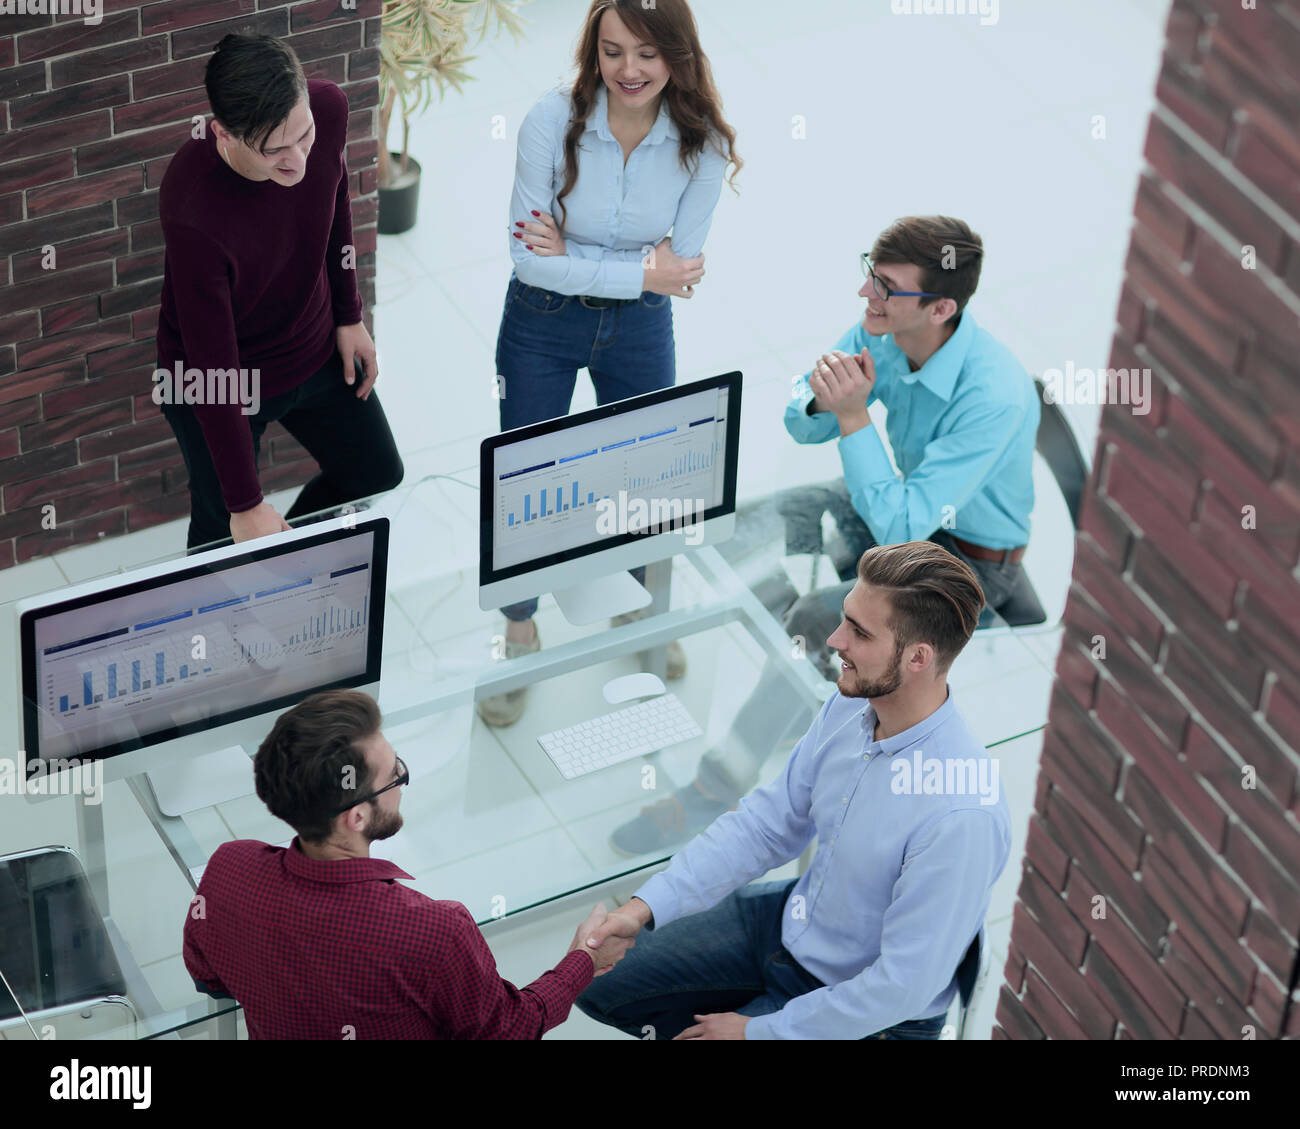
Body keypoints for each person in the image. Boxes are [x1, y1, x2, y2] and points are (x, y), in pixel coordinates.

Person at [611, 215, 1039, 853]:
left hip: (968, 558)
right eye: (870, 273)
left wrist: (852, 412)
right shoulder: (887, 330)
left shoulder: (994, 396)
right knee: (746, 525)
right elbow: (798, 419)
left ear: (942, 307)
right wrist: (827, 402)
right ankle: (805, 693)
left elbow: (902, 524)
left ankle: (718, 785)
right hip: (900, 505)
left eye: (887, 286)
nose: (867, 295)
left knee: (818, 616)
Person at [577, 542, 1011, 1039]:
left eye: (859, 632)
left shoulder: (961, 817)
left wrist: (755, 1033)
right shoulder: (850, 707)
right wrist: (642, 908)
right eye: (845, 619)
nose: (834, 639)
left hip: (875, 1014)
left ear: (918, 657)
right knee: (596, 980)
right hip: (795, 926)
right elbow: (766, 826)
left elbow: (899, 988)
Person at [479, 0, 742, 727]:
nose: (629, 69)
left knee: (647, 470)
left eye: (648, 54)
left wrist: (580, 257)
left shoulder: (704, 144)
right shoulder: (549, 122)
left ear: (677, 56)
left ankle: (637, 604)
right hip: (541, 324)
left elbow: (679, 270)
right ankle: (520, 625)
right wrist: (635, 272)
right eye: (613, 50)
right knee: (528, 477)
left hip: (640, 328)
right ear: (593, 50)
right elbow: (530, 262)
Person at [182, 690, 633, 1039]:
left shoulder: (229, 868)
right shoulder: (433, 931)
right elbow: (508, 1031)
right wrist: (584, 962)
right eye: (393, 773)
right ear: (355, 817)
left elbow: (208, 975)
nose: (401, 781)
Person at [157, 33, 403, 551]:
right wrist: (246, 508)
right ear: (225, 134)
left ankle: (286, 561)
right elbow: (212, 363)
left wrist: (348, 315)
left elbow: (333, 201)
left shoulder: (329, 108)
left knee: (376, 470)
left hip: (310, 349)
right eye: (274, 150)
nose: (298, 161)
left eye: (304, 136)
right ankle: (214, 620)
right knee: (218, 526)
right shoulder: (191, 201)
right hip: (217, 378)